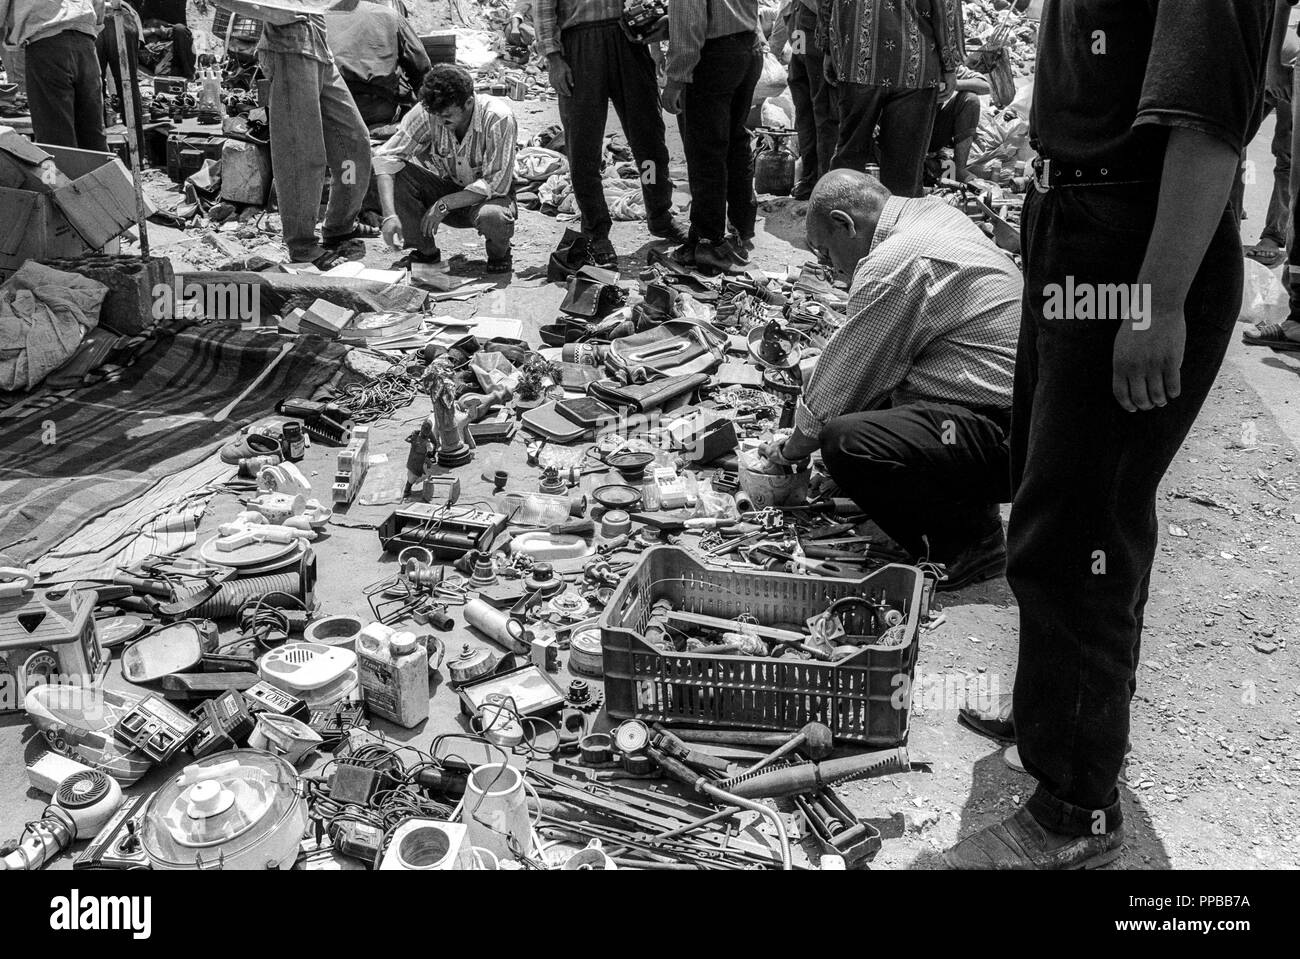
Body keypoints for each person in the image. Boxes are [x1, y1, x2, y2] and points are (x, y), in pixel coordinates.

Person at [944, 0, 1269, 870]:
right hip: (1076, 226)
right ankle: (1059, 702)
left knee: (1081, 521)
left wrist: (1157, 299)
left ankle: (1075, 807)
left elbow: (1206, 128)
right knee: (1052, 489)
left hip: (1129, 247)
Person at [761, 169, 1019, 588]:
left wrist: (788, 452)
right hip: (1010, 418)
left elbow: (841, 388)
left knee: (847, 441)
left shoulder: (896, 261)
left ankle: (966, 547)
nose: (830, 269)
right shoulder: (931, 213)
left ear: (846, 224)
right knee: (867, 405)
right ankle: (968, 507)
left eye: (826, 253)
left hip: (1006, 440)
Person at [537, 0, 688, 269]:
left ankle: (659, 213)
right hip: (580, 46)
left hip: (629, 40)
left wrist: (654, 47)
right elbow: (544, 8)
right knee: (584, 148)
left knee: (649, 142)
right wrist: (553, 58)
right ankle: (595, 231)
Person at [373, 64, 519, 274]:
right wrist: (389, 216)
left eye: (447, 116)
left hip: (489, 199)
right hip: (449, 188)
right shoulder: (429, 113)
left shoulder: (498, 118)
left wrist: (443, 204)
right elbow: (386, 158)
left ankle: (499, 253)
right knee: (392, 172)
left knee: (492, 217)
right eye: (436, 115)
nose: (440, 122)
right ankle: (426, 253)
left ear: (469, 103)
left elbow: (495, 185)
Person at [256, 7, 373, 269]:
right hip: (288, 51)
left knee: (353, 145)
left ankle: (340, 224)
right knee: (303, 154)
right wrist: (269, 12)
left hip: (320, 52)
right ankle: (302, 243)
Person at [819, 0, 964, 198]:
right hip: (913, 66)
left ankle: (836, 220)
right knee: (904, 166)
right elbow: (945, 7)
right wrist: (950, 63)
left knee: (850, 154)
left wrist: (827, 47)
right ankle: (896, 224)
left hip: (858, 60)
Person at [661, 0, 762, 272]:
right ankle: (742, 226)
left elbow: (689, 21)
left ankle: (709, 241)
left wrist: (675, 79)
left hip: (714, 57)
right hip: (748, 47)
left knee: (706, 150)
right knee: (735, 140)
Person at [1, 0, 107, 151]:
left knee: (55, 139)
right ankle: (104, 173)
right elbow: (99, 5)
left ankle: (60, 174)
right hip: (85, 44)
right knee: (92, 133)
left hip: (46, 45)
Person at [324, 0, 429, 129]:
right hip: (379, 111)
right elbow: (422, 68)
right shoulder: (391, 16)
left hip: (332, 111)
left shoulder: (314, 19)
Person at [774, 0, 837, 199]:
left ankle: (812, 179)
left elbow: (784, 8)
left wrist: (774, 47)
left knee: (809, 111)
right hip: (809, 30)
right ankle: (821, 182)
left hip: (800, 28)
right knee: (820, 111)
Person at [927, 64, 988, 184]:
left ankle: (959, 169)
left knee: (970, 99)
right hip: (901, 132)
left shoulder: (944, 63)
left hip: (931, 133)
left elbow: (985, 86)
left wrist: (953, 84)